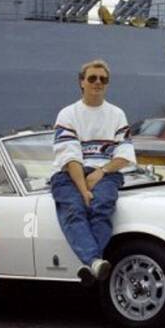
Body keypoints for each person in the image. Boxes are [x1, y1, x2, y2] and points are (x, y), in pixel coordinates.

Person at [49, 59, 135, 283]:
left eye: (103, 79)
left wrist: (101, 173)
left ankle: (91, 264)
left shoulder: (117, 114)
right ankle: (95, 261)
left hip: (106, 173)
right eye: (92, 78)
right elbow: (70, 156)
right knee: (74, 210)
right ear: (81, 82)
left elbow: (124, 155)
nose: (98, 83)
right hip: (68, 175)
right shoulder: (67, 114)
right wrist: (83, 188)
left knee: (101, 207)